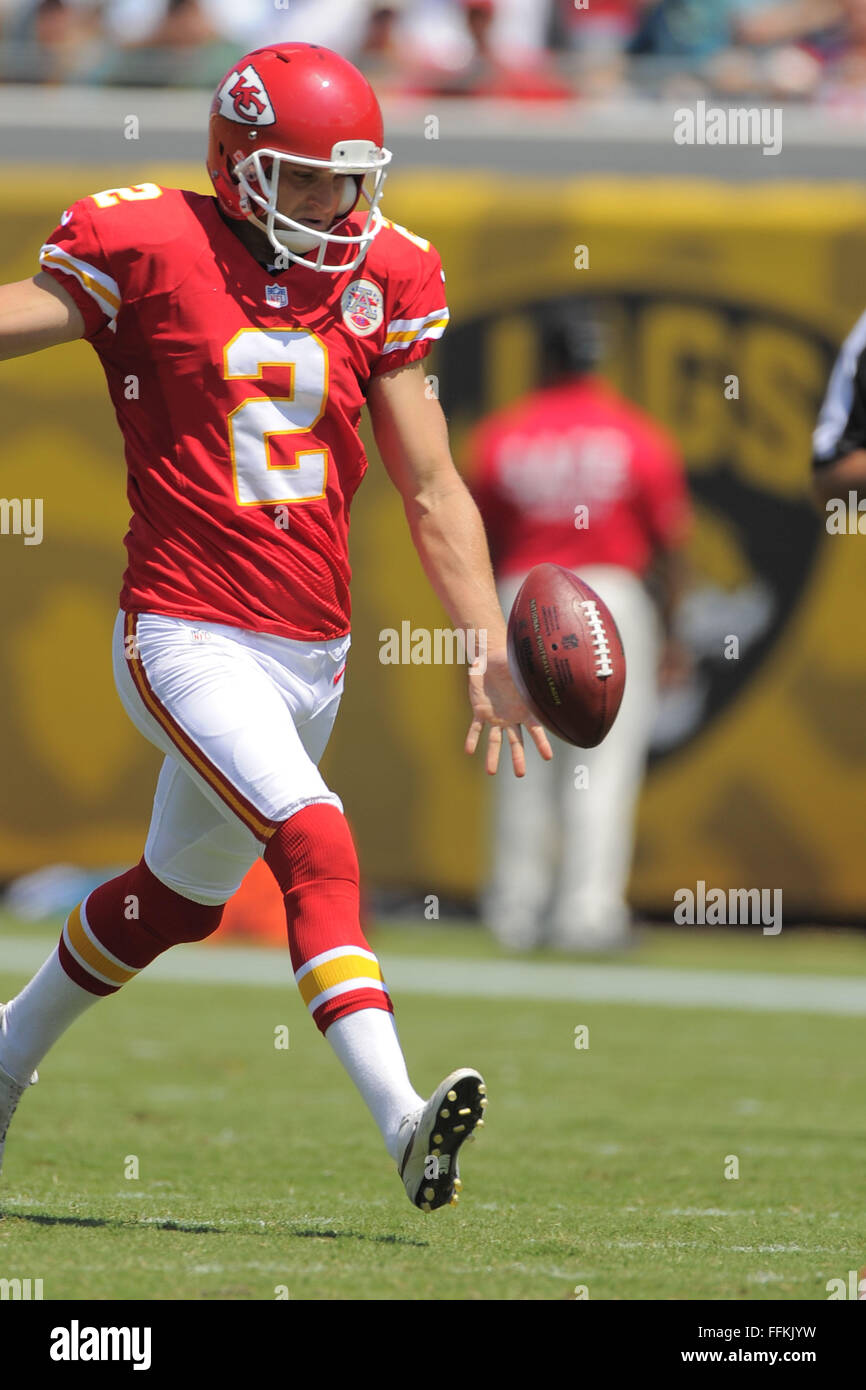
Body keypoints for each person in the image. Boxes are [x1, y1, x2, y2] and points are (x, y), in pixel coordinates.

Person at [0, 42, 552, 1213]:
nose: (330, 203)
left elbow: (432, 483)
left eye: (347, 179)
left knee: (176, 899)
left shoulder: (385, 273)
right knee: (315, 836)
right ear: (238, 162)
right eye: (302, 178)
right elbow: (23, 315)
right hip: (183, 630)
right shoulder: (147, 239)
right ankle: (402, 1119)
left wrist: (485, 639)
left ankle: (2, 1056)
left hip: (315, 647)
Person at [468, 302, 690, 952]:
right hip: (609, 597)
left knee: (518, 760)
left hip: (521, 595)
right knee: (603, 763)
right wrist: (675, 635)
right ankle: (586, 915)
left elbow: (476, 535)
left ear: (545, 358)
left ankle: (514, 910)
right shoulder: (634, 433)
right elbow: (673, 543)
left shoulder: (506, 433)